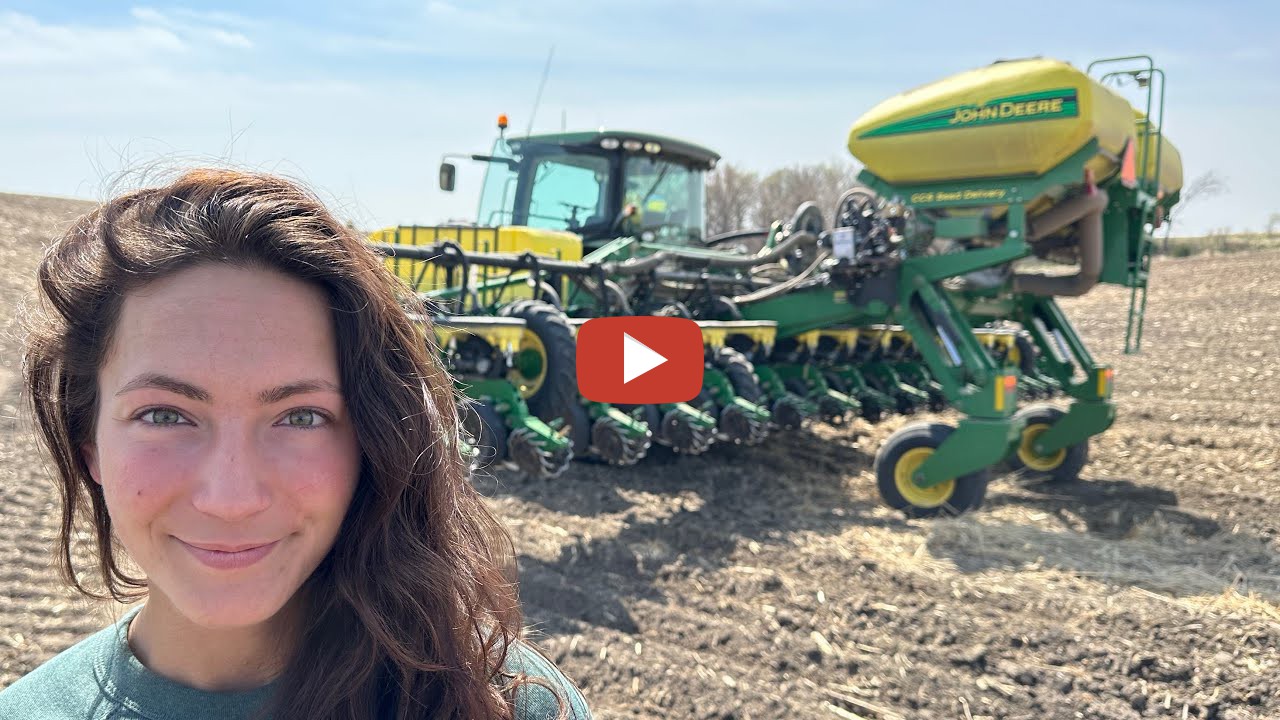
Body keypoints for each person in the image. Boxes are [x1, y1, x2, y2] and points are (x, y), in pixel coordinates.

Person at [0, 169, 592, 719]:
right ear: (89, 443)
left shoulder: (502, 699)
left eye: (301, 417)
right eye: (164, 414)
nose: (231, 498)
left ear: (372, 438)